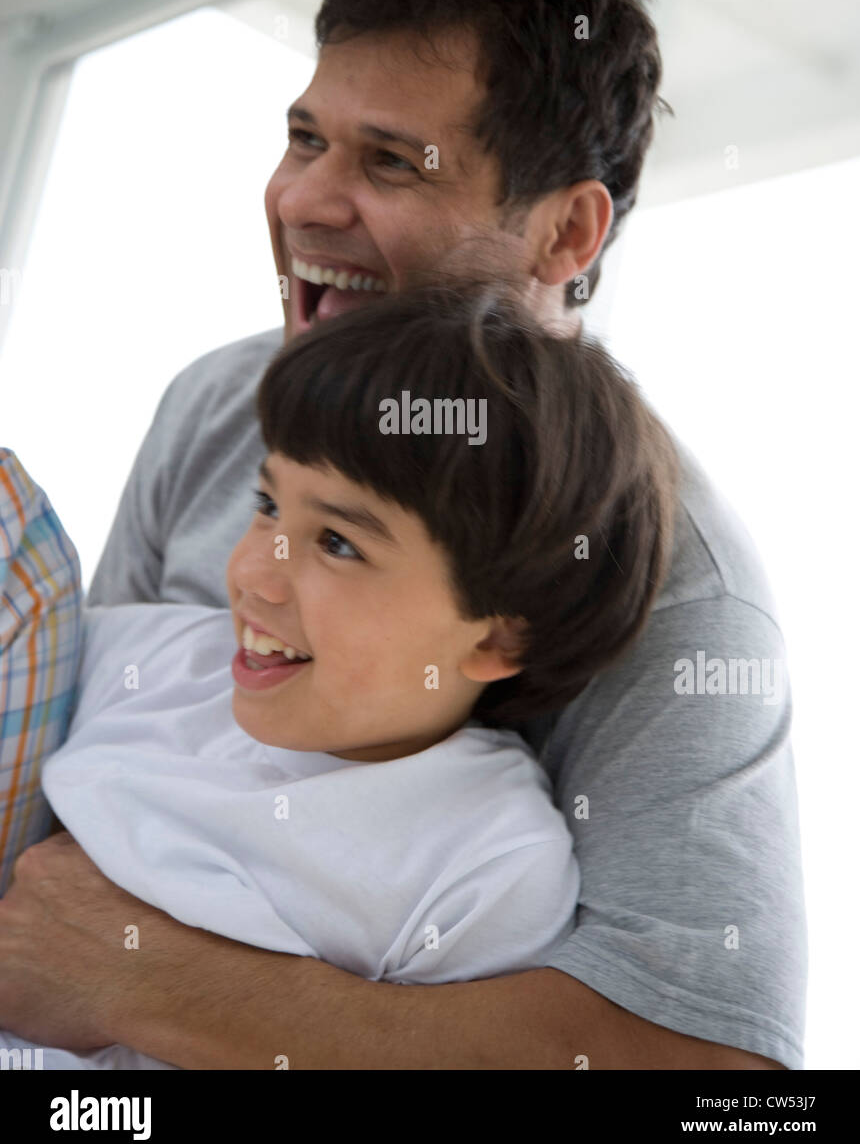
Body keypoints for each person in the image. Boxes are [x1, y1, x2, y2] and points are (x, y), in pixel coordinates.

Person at [0, 0, 807, 1070]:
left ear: (564, 231)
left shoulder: (676, 585)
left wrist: (156, 984)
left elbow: (714, 1080)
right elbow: (66, 767)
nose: (303, 201)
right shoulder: (222, 401)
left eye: (388, 161)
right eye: (302, 139)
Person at [0, 280, 681, 1068]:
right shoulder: (150, 662)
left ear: (497, 636)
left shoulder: (484, 869)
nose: (256, 574)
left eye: (339, 544)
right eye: (265, 504)